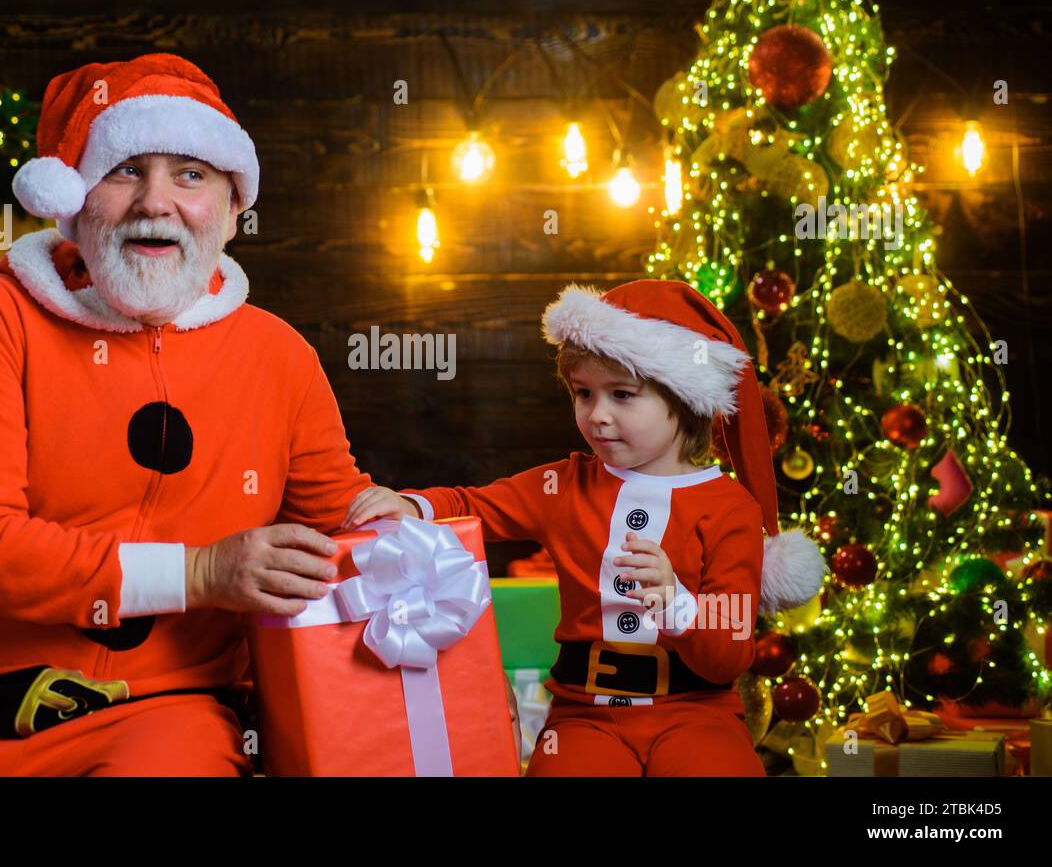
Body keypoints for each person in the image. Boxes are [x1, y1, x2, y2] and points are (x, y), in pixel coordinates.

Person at [0, 53, 369, 776]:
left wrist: (400, 512)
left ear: (233, 209)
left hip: (167, 710)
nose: (155, 202)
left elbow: (344, 513)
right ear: (71, 199)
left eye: (190, 174)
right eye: (125, 169)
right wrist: (197, 572)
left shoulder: (278, 353)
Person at [344, 279, 825, 776]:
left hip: (697, 713)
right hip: (585, 715)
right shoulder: (563, 484)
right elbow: (474, 505)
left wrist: (676, 600)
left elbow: (727, 658)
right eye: (583, 394)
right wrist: (411, 505)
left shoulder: (730, 509)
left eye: (622, 395)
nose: (598, 415)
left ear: (683, 400)